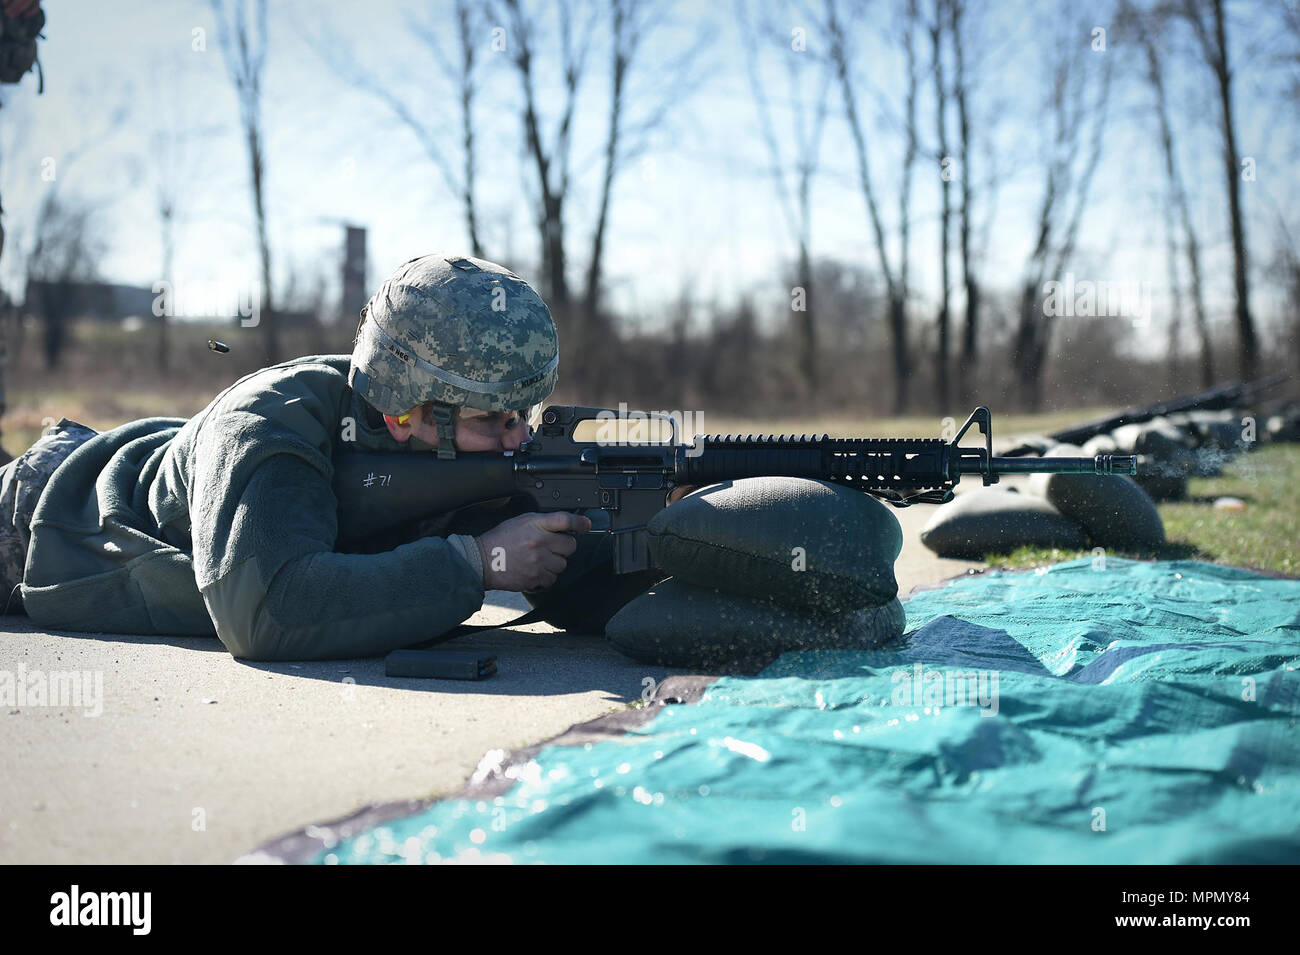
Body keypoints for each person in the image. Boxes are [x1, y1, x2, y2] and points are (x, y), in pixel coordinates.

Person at [0, 253, 661, 659]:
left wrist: (663, 530)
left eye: (528, 417)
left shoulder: (456, 445)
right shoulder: (270, 424)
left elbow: (580, 576)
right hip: (47, 512)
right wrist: (478, 561)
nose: (519, 440)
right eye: (495, 420)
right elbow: (268, 611)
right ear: (404, 414)